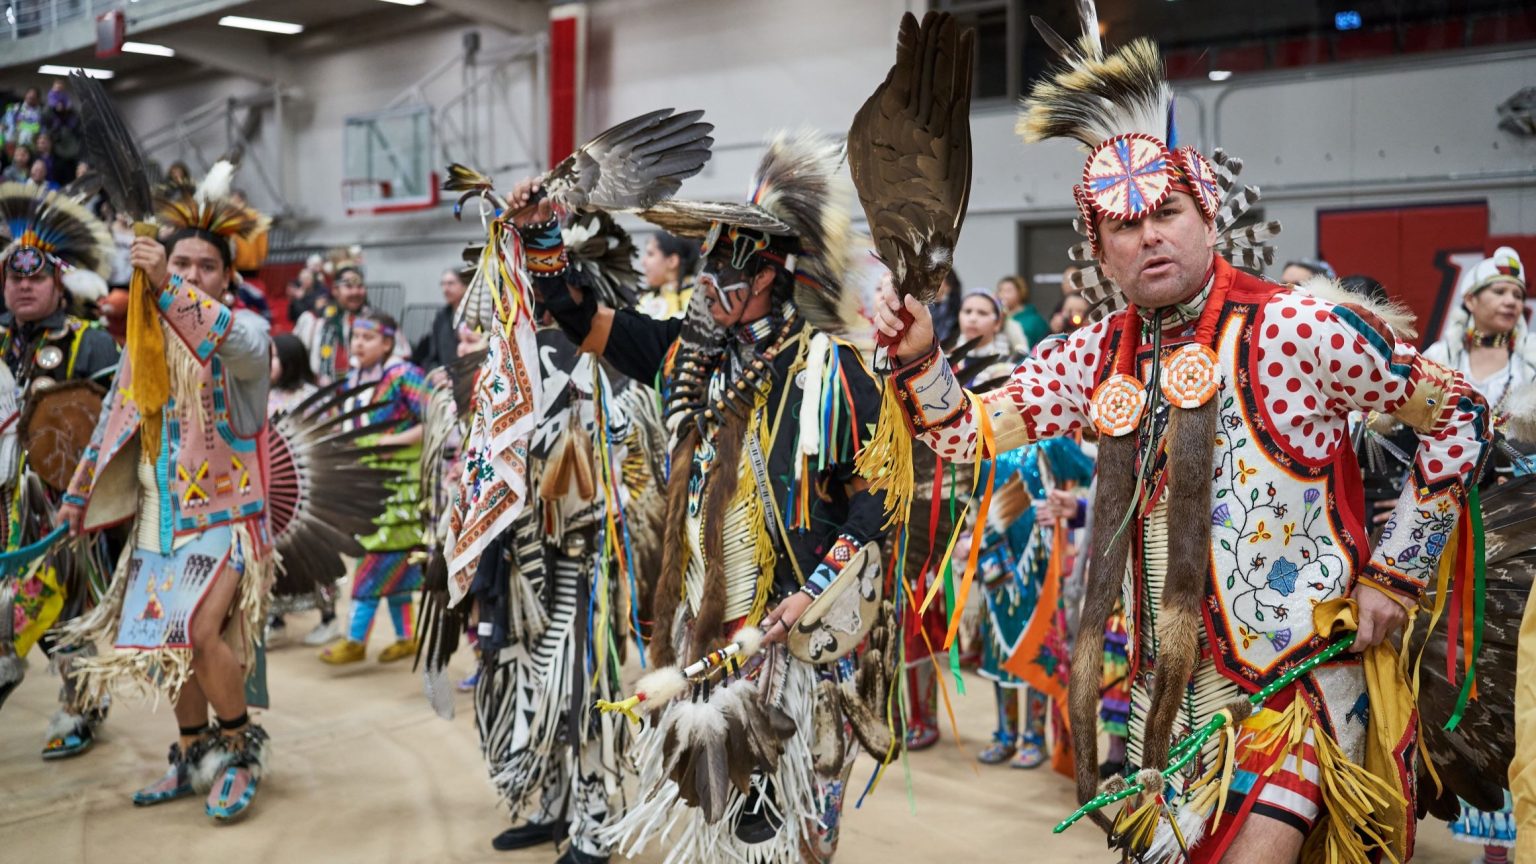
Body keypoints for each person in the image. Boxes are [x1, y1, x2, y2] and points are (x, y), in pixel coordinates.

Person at [872, 15, 1490, 861]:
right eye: (1125, 226)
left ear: (1208, 217)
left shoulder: (1299, 328)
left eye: (1166, 212)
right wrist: (920, 358)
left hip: (1300, 681)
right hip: (1170, 710)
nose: (1149, 235)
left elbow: (1458, 410)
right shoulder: (1095, 354)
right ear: (1098, 248)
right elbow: (965, 434)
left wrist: (1398, 570)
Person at [535, 132, 890, 863]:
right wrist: (543, 233)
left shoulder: (826, 370)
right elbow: (584, 319)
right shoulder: (680, 355)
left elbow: (873, 500)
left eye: (723, 267)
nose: (704, 282)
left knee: (802, 822)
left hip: (794, 635)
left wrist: (817, 591)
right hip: (706, 624)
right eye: (702, 267)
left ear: (767, 278)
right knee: (721, 818)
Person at [57, 170, 275, 823]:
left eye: (207, 266)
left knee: (201, 631)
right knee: (167, 645)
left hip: (227, 518)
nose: (194, 272)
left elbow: (229, 340)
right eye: (182, 261)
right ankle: (190, 751)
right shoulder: (143, 343)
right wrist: (78, 495)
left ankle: (239, 749)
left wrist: (163, 282)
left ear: (226, 280)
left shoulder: (247, 338)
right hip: (161, 516)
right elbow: (114, 419)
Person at [0, 182, 120, 757]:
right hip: (4, 505)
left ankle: (83, 704)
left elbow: (114, 425)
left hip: (64, 507)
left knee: (67, 610)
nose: (23, 284)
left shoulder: (89, 343)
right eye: (15, 276)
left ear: (58, 284)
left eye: (36, 276)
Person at [1425, 248, 1530, 863]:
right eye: (1498, 291)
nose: (1511, 301)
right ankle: (1492, 847)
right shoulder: (1439, 365)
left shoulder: (1534, 363)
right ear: (1469, 300)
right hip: (1449, 534)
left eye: (1518, 294)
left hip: (1520, 533)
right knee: (1465, 673)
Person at [318, 310, 427, 665]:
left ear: (387, 342)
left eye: (368, 338)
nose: (359, 344)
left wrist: (388, 443)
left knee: (373, 557)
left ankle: (355, 639)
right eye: (355, 337)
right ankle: (406, 637)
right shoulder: (355, 378)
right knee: (390, 561)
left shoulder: (404, 375)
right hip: (364, 485)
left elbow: (436, 421)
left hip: (397, 487)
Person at [292, 264, 369, 383]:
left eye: (360, 286)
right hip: (322, 393)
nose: (355, 292)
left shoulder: (375, 321)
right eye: (348, 286)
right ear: (335, 290)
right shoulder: (315, 320)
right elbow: (296, 357)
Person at [410, 266, 468, 370]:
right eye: (443, 284)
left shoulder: (474, 315)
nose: (445, 289)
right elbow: (432, 354)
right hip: (444, 374)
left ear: (464, 286)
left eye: (451, 283)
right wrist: (436, 373)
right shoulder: (441, 316)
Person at [635, 230, 696, 319]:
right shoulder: (645, 302)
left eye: (650, 254)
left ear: (672, 261)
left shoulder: (699, 302)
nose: (643, 262)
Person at [997, 274, 1050, 348]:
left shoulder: (1035, 320)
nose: (1003, 295)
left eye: (1008, 291)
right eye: (1000, 290)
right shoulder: (997, 318)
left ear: (1020, 292)